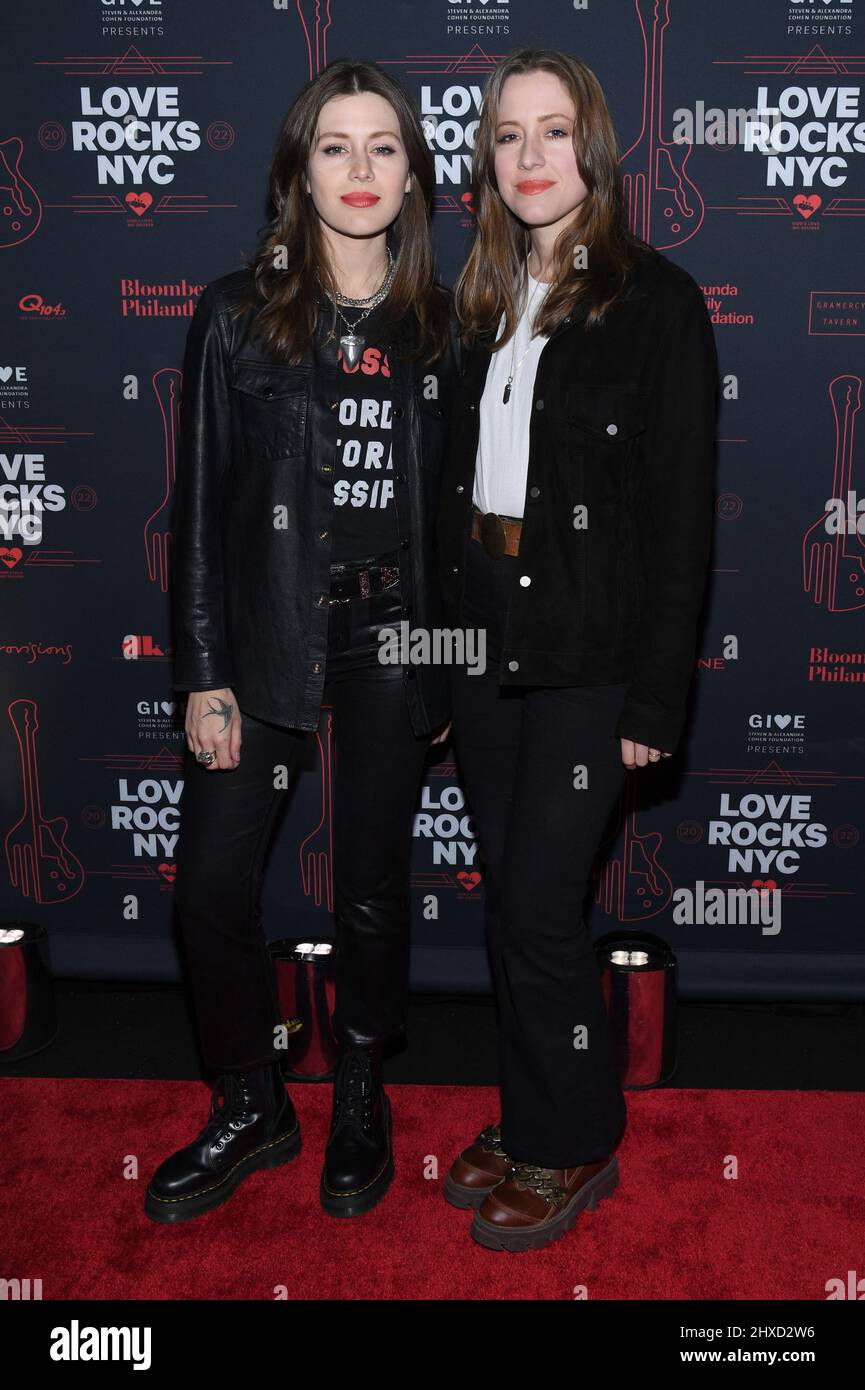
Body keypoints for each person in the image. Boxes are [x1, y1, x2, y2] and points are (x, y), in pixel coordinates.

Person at [144, 59, 458, 1224]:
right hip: (269, 632)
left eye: (384, 147)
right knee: (212, 889)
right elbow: (200, 513)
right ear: (298, 170)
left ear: (414, 174)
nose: (361, 170)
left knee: (372, 887)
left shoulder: (441, 325)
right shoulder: (236, 314)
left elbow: (454, 517)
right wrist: (204, 672)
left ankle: (363, 1084)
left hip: (390, 633)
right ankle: (250, 1099)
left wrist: (441, 658)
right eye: (336, 146)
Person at [437, 47, 719, 1251]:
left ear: (594, 152)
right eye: (509, 135)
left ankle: (570, 1143)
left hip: (592, 657)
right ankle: (533, 1105)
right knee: (514, 906)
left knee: (545, 909)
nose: (532, 156)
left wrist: (655, 693)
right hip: (489, 644)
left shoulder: (657, 303)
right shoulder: (479, 301)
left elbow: (681, 524)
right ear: (487, 160)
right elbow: (457, 504)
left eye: (555, 132)